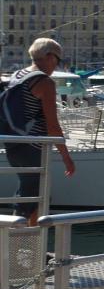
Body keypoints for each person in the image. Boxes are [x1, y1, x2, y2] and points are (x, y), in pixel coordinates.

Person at [3, 38, 75, 225]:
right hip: (32, 147)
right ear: (50, 57)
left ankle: (28, 247)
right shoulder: (44, 82)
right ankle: (19, 247)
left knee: (28, 194)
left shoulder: (18, 75)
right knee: (35, 197)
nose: (56, 65)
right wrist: (66, 157)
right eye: (58, 61)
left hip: (14, 144)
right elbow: (52, 125)